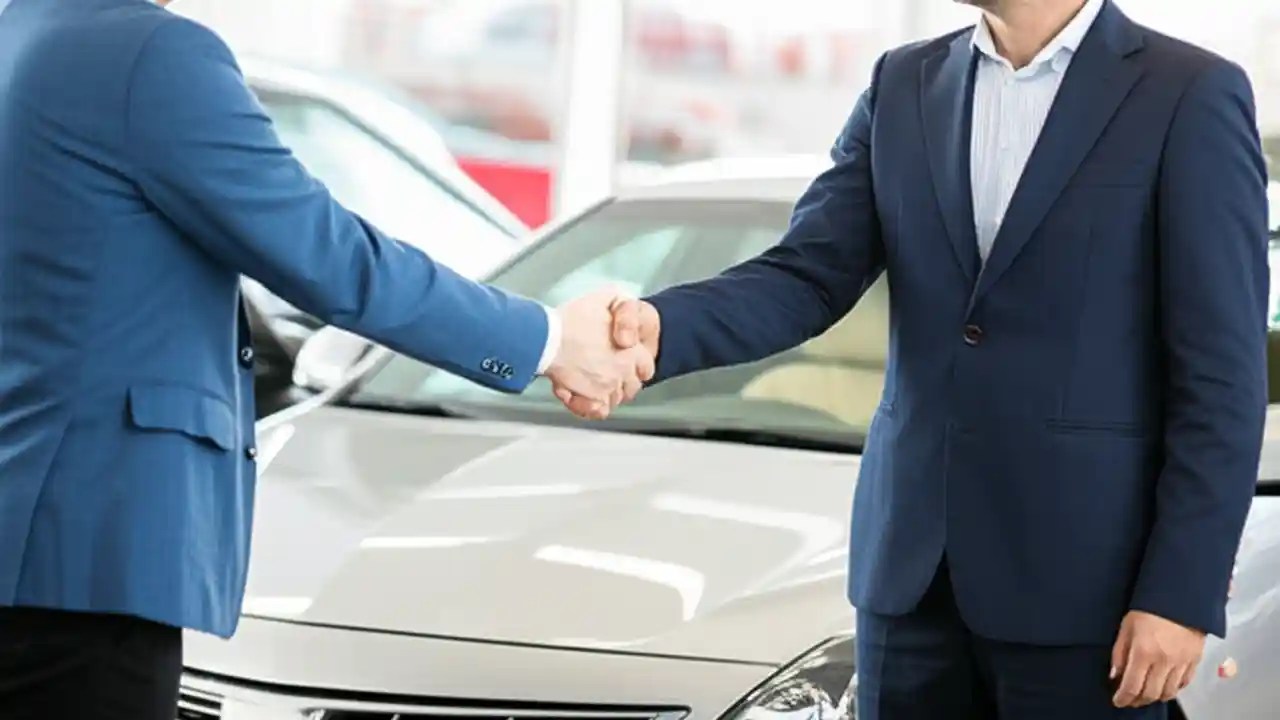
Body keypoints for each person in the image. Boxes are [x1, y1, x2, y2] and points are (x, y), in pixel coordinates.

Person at [561, 0, 1270, 717]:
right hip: (910, 582)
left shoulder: (1188, 93)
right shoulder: (904, 82)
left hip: (1089, 593)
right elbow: (807, 274)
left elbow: (1221, 380)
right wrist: (659, 328)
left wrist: (1181, 594)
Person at [0, 0, 651, 717]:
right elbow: (329, 255)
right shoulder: (149, 55)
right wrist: (548, 341)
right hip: (87, 551)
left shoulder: (22, 33)